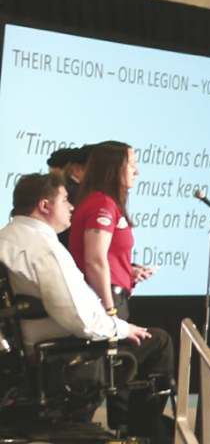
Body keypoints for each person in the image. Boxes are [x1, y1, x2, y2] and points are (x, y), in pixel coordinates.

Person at [0, 173, 166, 387]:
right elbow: (83, 320)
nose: (71, 207)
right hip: (63, 353)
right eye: (65, 200)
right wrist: (122, 328)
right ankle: (137, 421)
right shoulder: (44, 249)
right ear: (44, 205)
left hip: (21, 351)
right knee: (159, 341)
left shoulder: (6, 239)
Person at [67, 142, 153, 320]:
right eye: (131, 165)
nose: (137, 172)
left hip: (113, 295)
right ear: (113, 169)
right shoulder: (101, 203)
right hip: (103, 299)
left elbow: (106, 256)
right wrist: (109, 309)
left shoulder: (108, 203)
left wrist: (127, 271)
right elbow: (95, 260)